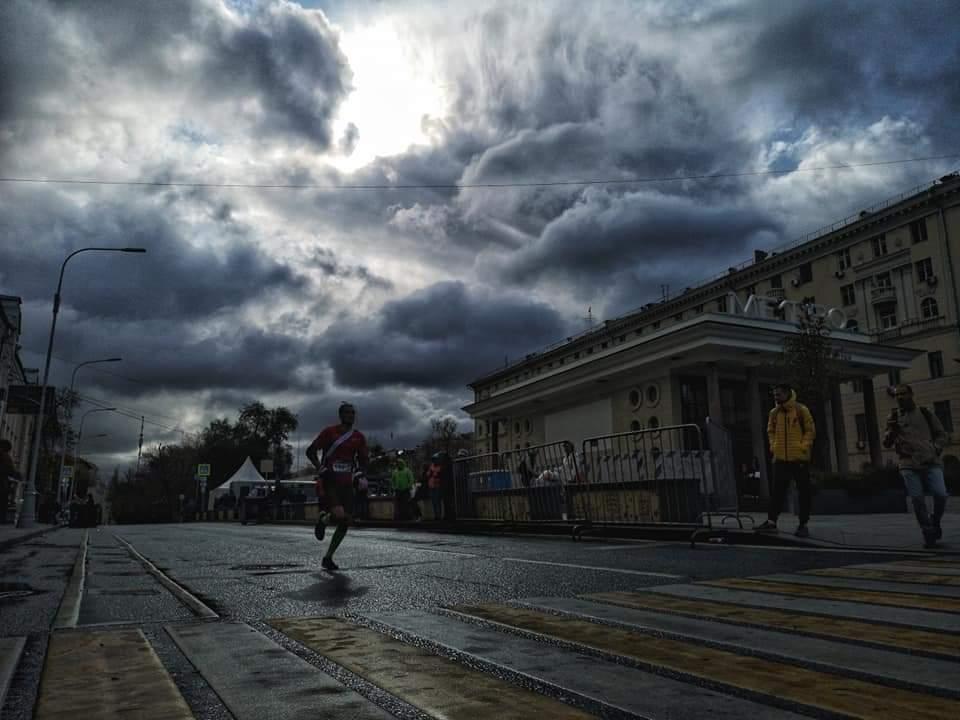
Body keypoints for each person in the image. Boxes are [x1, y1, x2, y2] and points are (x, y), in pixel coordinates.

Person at [883, 384, 949, 548]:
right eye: (897, 395)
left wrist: (936, 448)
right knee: (917, 499)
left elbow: (941, 434)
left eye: (903, 394)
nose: (899, 397)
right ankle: (928, 532)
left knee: (941, 494)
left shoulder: (925, 413)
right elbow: (887, 442)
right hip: (908, 464)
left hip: (930, 461)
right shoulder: (893, 417)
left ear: (911, 394)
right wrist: (892, 430)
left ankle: (935, 520)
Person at [306, 402, 369, 571]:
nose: (351, 416)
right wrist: (320, 468)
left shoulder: (359, 437)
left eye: (353, 413)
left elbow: (364, 460)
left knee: (346, 521)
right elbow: (310, 451)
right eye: (347, 413)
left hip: (347, 483)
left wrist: (361, 474)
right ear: (340, 415)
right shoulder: (329, 432)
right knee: (340, 516)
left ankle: (328, 557)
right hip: (330, 480)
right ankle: (324, 519)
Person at [757, 383, 816, 537]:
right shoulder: (774, 413)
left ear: (787, 393)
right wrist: (773, 446)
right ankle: (771, 522)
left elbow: (810, 430)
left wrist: (803, 446)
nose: (776, 398)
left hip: (799, 459)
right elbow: (770, 430)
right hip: (780, 459)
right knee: (777, 492)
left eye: (778, 395)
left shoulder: (800, 410)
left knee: (804, 491)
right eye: (774, 395)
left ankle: (803, 524)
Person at [1, 439, 22, 524]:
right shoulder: (5, 456)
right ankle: (2, 519)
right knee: (3, 501)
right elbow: (10, 470)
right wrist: (19, 476)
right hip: (2, 483)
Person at [391, 456, 415, 521]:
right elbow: (392, 480)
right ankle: (398, 517)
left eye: (399, 463)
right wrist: (394, 487)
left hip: (406, 490)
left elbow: (411, 480)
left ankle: (407, 517)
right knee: (398, 505)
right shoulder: (395, 471)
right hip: (398, 490)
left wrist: (408, 486)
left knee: (406, 504)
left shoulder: (407, 470)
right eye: (397, 464)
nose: (398, 465)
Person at [426, 453, 444, 520]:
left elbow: (438, 474)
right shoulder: (431, 466)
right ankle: (436, 515)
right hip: (431, 486)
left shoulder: (440, 466)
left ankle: (439, 515)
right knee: (434, 502)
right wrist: (431, 473)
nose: (434, 461)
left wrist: (434, 474)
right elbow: (428, 474)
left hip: (437, 485)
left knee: (437, 501)